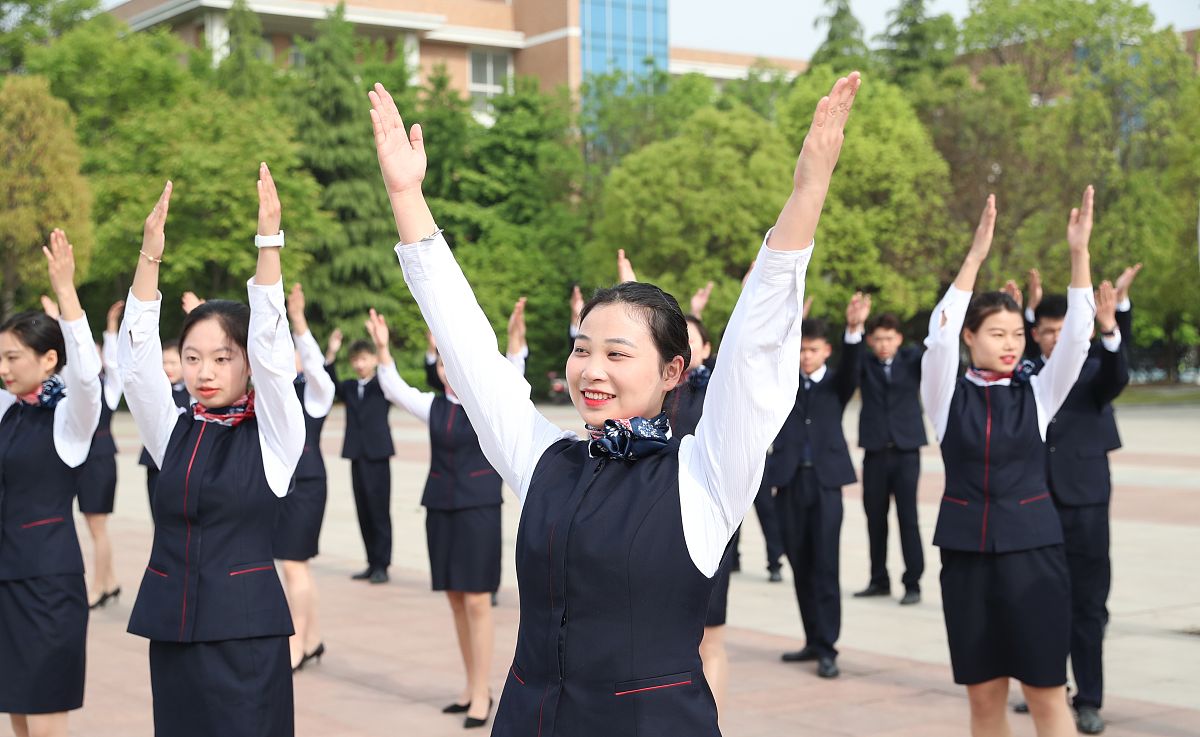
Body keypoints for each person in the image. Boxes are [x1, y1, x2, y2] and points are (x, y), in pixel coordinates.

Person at [366, 70, 861, 736]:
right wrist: (407, 197)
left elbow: (754, 356)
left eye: (617, 354)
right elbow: (470, 352)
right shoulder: (546, 458)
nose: (590, 370)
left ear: (673, 370)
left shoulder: (704, 474)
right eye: (581, 349)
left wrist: (807, 194)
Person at [119, 168, 304, 737]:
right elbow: (136, 364)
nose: (204, 372)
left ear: (245, 362)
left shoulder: (275, 435)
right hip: (171, 632)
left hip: (245, 639)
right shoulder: (172, 430)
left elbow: (273, 353)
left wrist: (268, 243)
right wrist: (149, 260)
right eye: (193, 357)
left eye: (223, 357)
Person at [921, 189, 1098, 737]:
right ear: (971, 336)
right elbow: (939, 334)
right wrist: (974, 258)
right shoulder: (945, 397)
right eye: (997, 333)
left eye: (1018, 335)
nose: (1011, 345)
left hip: (1035, 557)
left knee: (1047, 696)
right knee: (983, 701)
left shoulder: (1041, 393)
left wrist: (1079, 255)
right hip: (967, 557)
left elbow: (1078, 334)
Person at [368, 309, 516, 728]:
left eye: (454, 362)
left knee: (477, 601)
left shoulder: (488, 404)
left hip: (479, 510)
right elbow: (393, 386)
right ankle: (471, 687)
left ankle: (483, 692)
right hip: (441, 508)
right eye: (442, 364)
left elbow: (514, 374)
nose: (448, 371)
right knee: (454, 598)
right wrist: (382, 347)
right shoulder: (433, 406)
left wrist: (513, 340)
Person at [1009, 265, 1139, 734]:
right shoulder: (1026, 375)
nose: (1052, 339)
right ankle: (1049, 689)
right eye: (1045, 332)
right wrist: (1023, 311)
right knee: (1041, 600)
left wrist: (1109, 328)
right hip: (1035, 500)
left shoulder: (1094, 370)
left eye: (1061, 331)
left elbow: (1117, 374)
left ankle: (1089, 698)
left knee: (1087, 603)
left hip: (1084, 501)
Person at [0, 229, 101, 737]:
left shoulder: (68, 419)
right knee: (16, 712)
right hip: (6, 582)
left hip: (46, 586)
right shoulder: (6, 411)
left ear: (48, 360)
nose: (4, 369)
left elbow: (89, 380)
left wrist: (67, 298)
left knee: (42, 717)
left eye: (13, 357)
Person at [774, 293, 869, 679]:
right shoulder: (783, 383)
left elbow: (853, 368)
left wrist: (854, 329)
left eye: (812, 350)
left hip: (826, 483)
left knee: (825, 566)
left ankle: (829, 646)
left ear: (826, 350)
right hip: (789, 481)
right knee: (800, 564)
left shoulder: (837, 384)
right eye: (801, 350)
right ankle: (812, 639)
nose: (806, 357)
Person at [273, 282, 335, 672]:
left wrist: (299, 323)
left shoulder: (313, 393)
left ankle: (296, 643)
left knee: (294, 565)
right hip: (282, 484)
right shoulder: (277, 392)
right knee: (296, 567)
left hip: (307, 485)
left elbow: (318, 371)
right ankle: (310, 640)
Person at [853, 311, 927, 605]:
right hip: (874, 452)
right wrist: (856, 326)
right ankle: (878, 579)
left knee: (908, 517)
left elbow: (935, 353)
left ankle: (913, 582)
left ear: (899, 339)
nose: (884, 344)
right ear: (871, 340)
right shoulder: (865, 363)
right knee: (875, 518)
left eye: (889, 338)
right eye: (878, 338)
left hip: (907, 450)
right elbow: (850, 358)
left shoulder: (911, 361)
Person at [324, 328, 395, 584]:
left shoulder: (384, 385)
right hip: (356, 454)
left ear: (374, 360)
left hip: (378, 455)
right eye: (355, 360)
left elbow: (392, 375)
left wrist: (382, 346)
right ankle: (370, 562)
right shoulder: (352, 387)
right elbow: (330, 382)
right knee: (363, 509)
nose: (359, 364)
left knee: (379, 510)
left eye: (364, 359)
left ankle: (382, 564)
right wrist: (331, 352)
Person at [138, 336, 189, 508]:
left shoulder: (195, 393)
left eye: (173, 362)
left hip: (184, 462)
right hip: (155, 463)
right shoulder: (155, 392)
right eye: (164, 362)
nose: (167, 368)